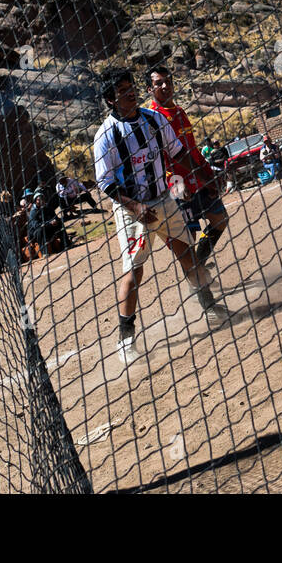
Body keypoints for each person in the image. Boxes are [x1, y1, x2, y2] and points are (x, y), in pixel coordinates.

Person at [94, 68, 231, 366]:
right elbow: (105, 183)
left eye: (131, 87)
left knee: (187, 255)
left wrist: (205, 177)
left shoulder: (154, 119)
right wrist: (136, 208)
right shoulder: (106, 134)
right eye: (122, 90)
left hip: (163, 200)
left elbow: (179, 152)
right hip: (132, 210)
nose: (130, 92)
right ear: (110, 100)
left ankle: (209, 307)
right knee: (134, 272)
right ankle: (126, 340)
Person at [145, 65, 229, 268]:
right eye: (159, 83)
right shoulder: (151, 118)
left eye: (168, 81)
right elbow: (154, 159)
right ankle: (201, 291)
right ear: (150, 89)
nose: (165, 86)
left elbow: (192, 149)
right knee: (187, 237)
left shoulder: (180, 112)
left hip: (197, 179)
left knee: (220, 220)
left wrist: (209, 177)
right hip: (177, 186)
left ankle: (199, 263)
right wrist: (173, 183)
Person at [28, 189, 67, 256]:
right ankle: (44, 252)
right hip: (36, 233)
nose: (41, 201)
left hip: (48, 228)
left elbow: (56, 217)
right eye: (38, 200)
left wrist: (56, 221)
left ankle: (66, 244)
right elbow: (36, 226)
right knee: (40, 230)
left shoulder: (48, 208)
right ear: (35, 201)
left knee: (60, 224)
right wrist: (49, 223)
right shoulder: (33, 212)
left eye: (42, 199)